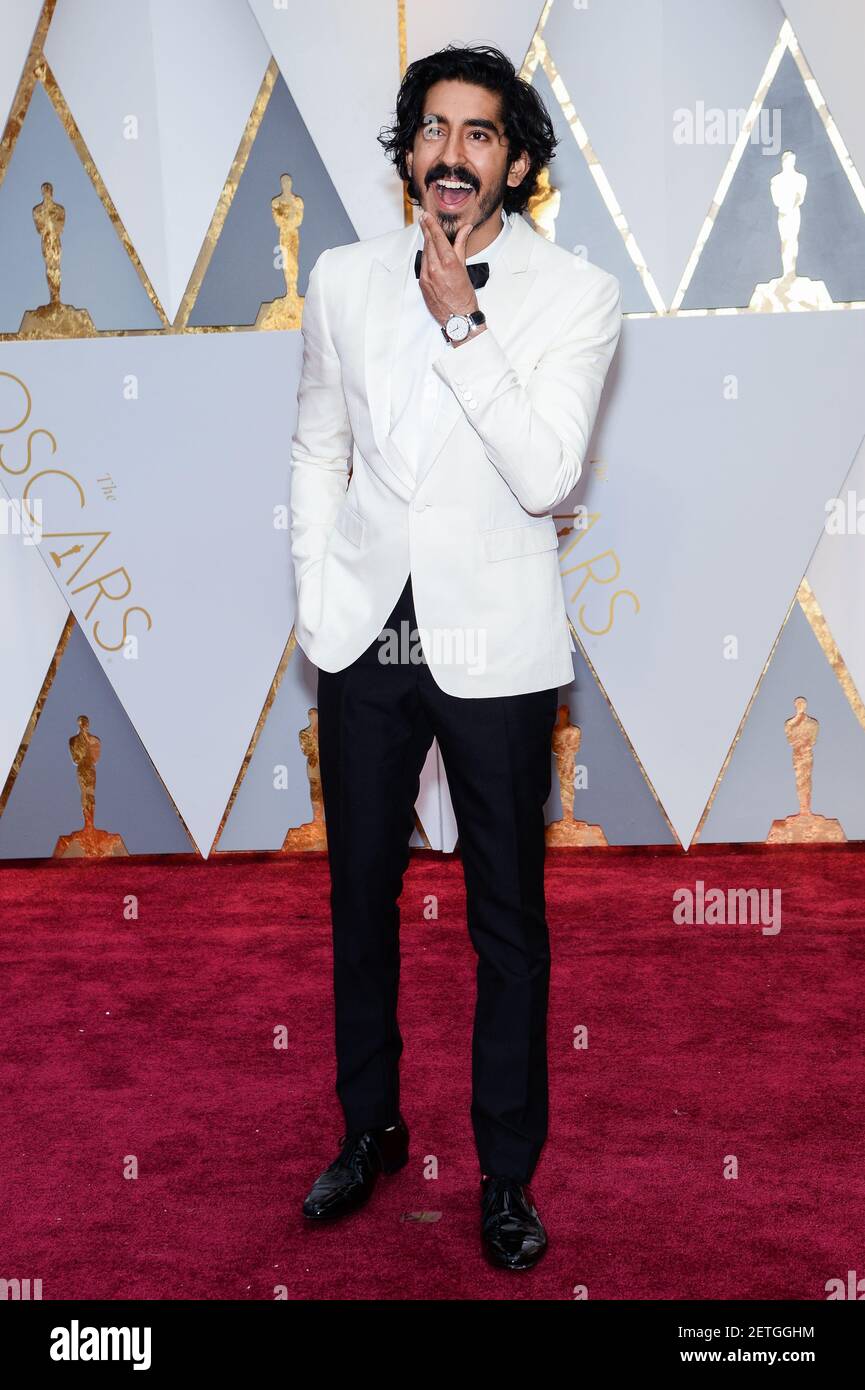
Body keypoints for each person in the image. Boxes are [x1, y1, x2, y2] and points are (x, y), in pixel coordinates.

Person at [289, 43, 622, 1271]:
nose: (451, 153)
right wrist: (322, 597)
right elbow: (317, 444)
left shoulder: (575, 296)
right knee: (357, 897)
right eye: (433, 129)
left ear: (515, 163)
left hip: (497, 641)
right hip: (368, 635)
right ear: (408, 153)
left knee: (506, 922)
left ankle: (505, 1176)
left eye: (479, 134)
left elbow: (546, 474)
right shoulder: (337, 278)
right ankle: (368, 1129)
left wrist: (463, 321)